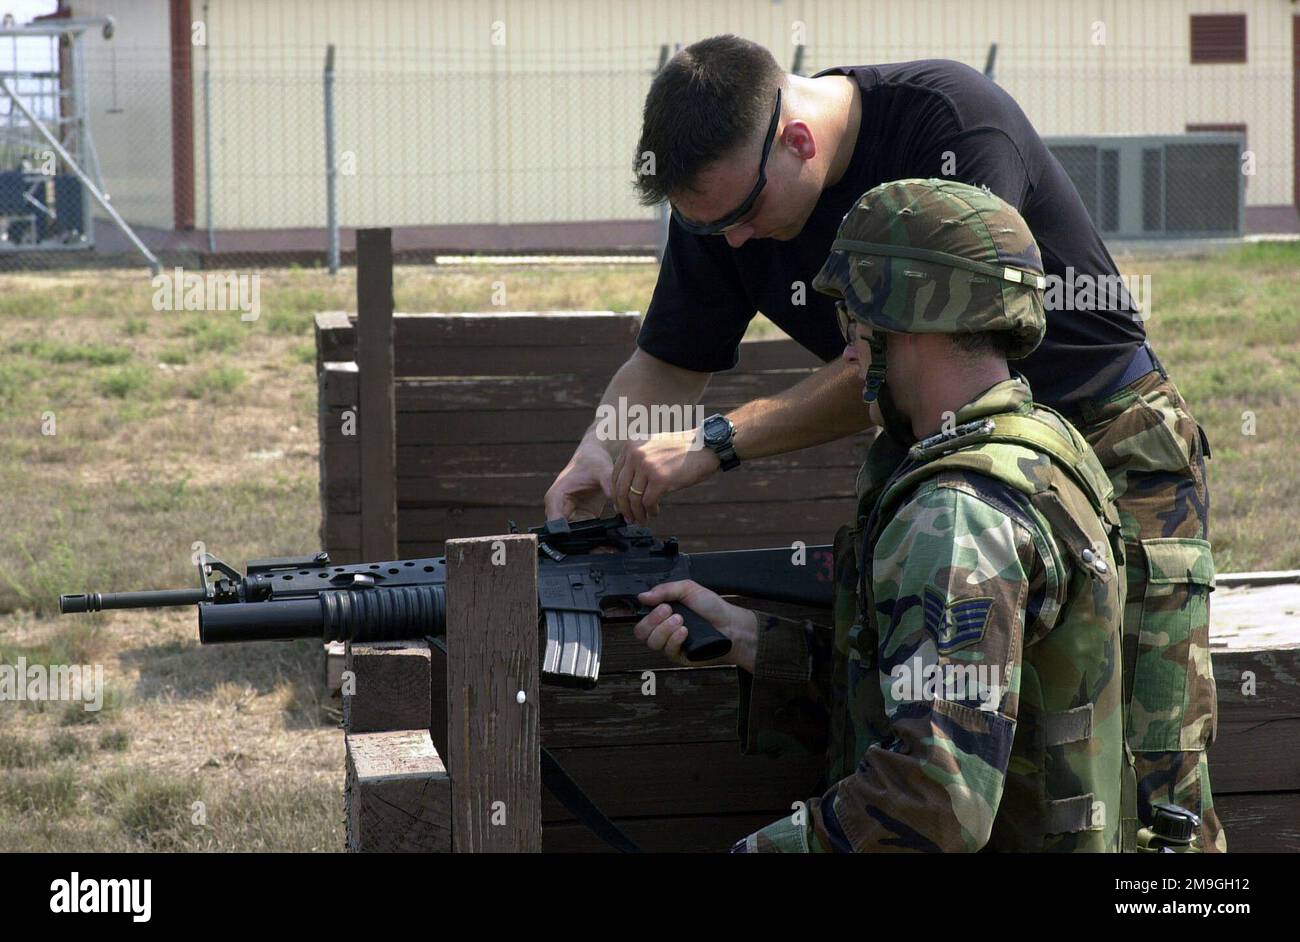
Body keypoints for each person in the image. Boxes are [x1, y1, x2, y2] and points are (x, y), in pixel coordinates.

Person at [553, 36, 1221, 851]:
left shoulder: (952, 129)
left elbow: (916, 351)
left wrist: (721, 440)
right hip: (949, 453)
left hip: (1108, 441)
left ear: (796, 142)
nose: (730, 243)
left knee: (1143, 769)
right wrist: (600, 451)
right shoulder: (729, 199)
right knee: (931, 717)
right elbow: (671, 355)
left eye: (739, 217)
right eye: (704, 226)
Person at [634, 178, 1133, 851]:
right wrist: (752, 641)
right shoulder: (1044, 449)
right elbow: (955, 699)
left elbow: (935, 801)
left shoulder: (956, 515)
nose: (848, 353)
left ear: (907, 325)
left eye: (856, 325)